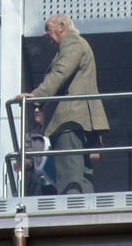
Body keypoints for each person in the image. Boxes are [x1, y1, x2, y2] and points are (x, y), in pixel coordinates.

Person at [16, 14, 108, 195]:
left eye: (47, 29)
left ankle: (73, 215)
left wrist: (36, 96)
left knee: (69, 175)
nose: (45, 34)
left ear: (61, 27)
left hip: (70, 121)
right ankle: (84, 215)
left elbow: (60, 72)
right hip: (82, 121)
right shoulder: (79, 44)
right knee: (81, 176)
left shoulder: (72, 42)